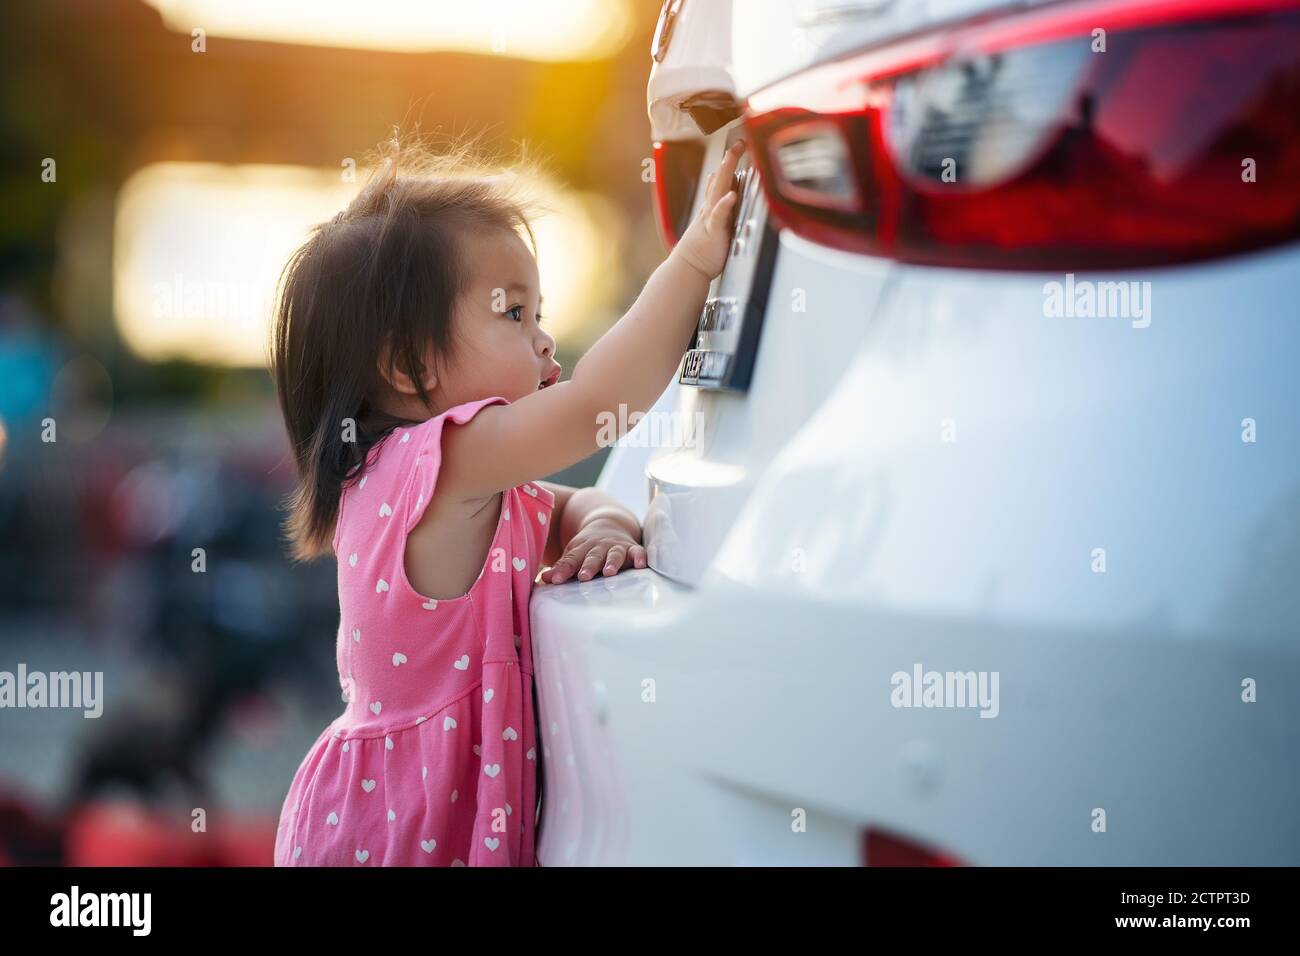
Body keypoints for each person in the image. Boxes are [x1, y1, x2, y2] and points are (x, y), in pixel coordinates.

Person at [269, 136, 745, 865]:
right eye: (514, 314)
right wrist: (692, 266)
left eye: (539, 312)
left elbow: (565, 509)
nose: (547, 340)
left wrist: (604, 524)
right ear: (408, 363)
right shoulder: (435, 461)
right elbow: (596, 404)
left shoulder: (468, 481)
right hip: (394, 827)